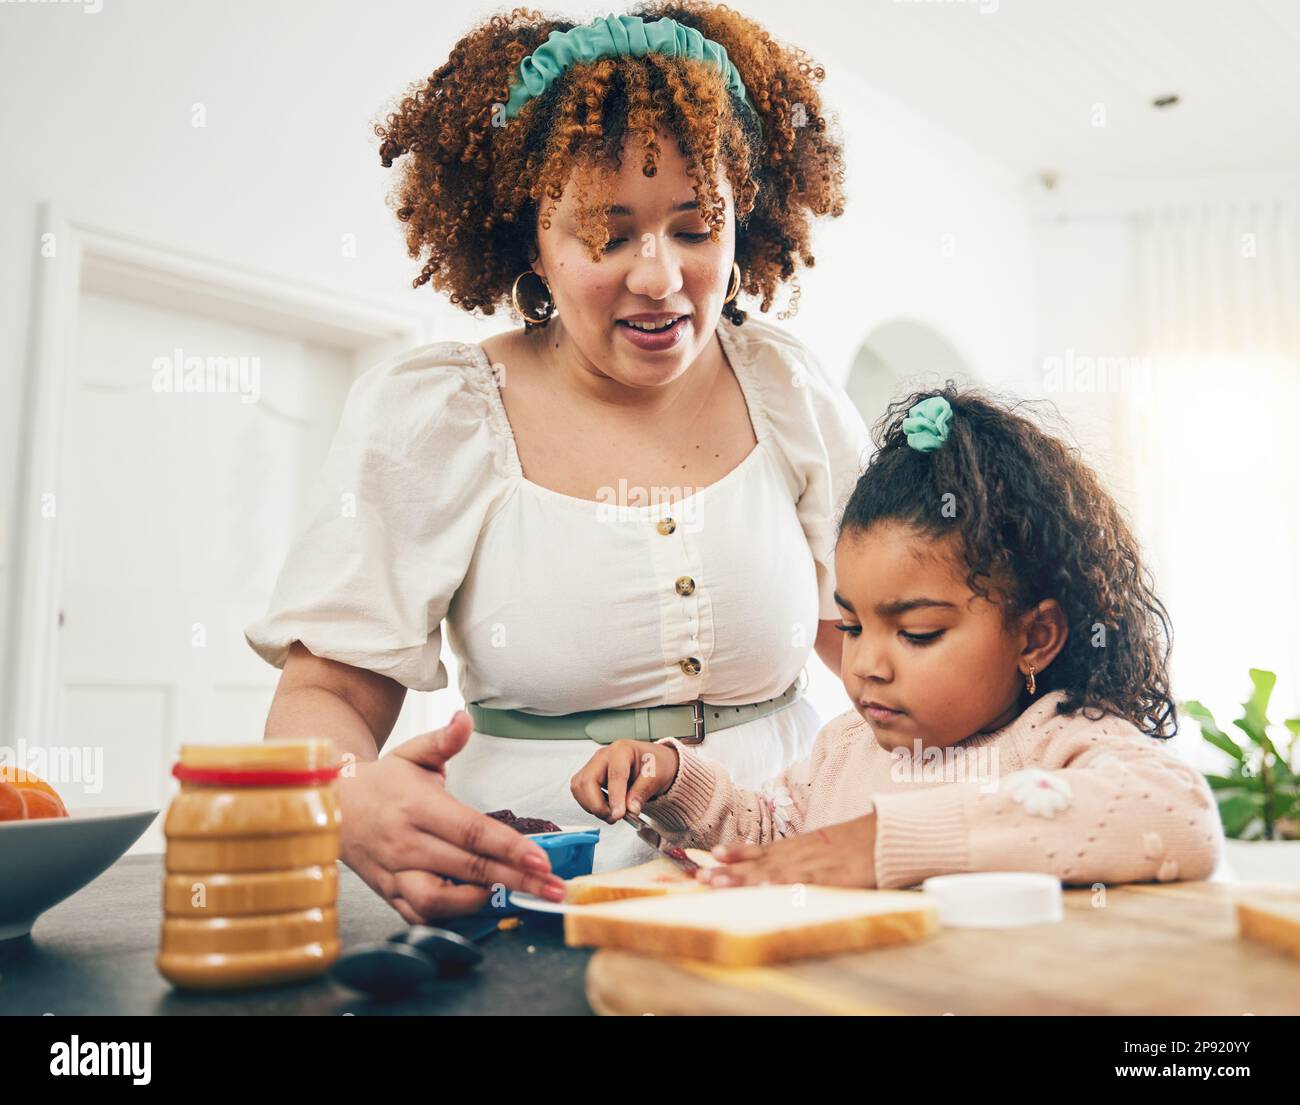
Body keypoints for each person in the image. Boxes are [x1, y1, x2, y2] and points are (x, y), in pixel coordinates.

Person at [244, 5, 867, 920]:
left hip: (784, 885)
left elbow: (882, 642)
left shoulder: (787, 389)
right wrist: (343, 796)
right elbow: (330, 688)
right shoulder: (442, 414)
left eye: (696, 228)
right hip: (528, 899)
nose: (658, 276)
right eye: (606, 235)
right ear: (530, 240)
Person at [571, 388, 1224, 888]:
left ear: (1036, 636)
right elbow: (771, 833)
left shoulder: (1061, 740)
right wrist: (673, 780)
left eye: (916, 632)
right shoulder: (846, 748)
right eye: (852, 624)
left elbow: (1177, 814)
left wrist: (888, 839)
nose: (865, 665)